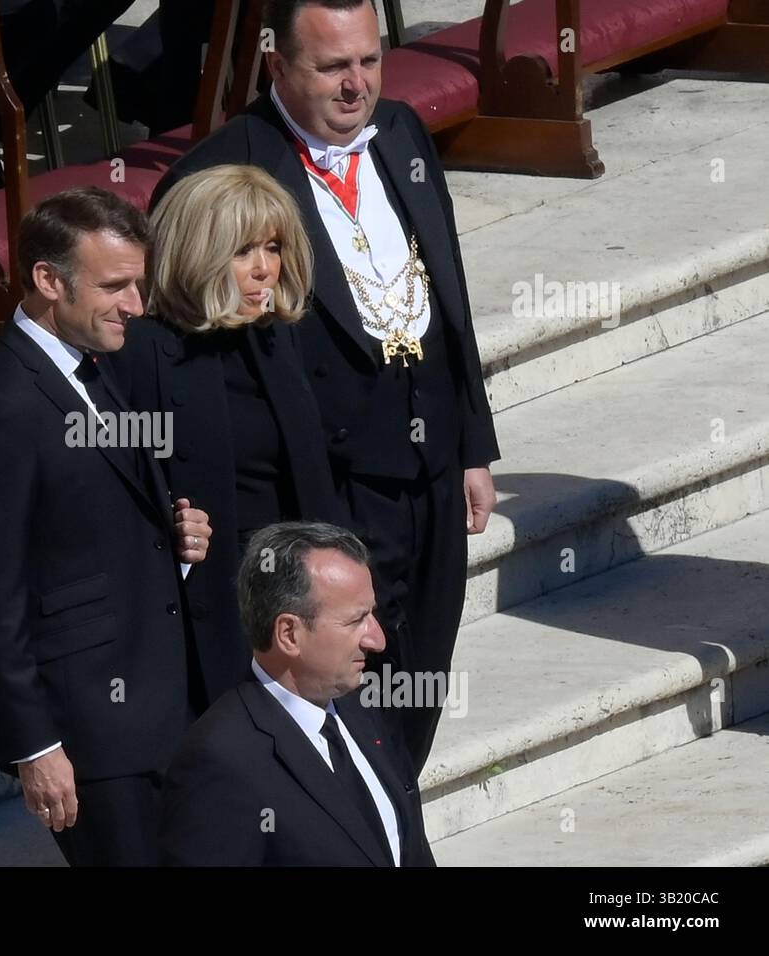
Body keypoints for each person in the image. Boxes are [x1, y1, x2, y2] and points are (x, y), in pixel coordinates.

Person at [152, 0, 500, 772]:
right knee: (345, 706)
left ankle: (388, 822)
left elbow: (449, 292)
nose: (357, 86)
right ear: (278, 66)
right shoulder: (221, 175)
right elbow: (188, 365)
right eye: (333, 67)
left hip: (432, 477)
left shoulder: (404, 133)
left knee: (417, 687)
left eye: (370, 61)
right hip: (324, 495)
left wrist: (474, 441)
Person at [0, 186, 213, 867]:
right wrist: (36, 746)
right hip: (88, 730)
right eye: (115, 286)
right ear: (46, 280)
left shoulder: (96, 367)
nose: (136, 306)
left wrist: (177, 547)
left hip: (158, 704)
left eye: (139, 285)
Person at [106, 163, 340, 709]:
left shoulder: (273, 335)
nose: (264, 269)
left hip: (290, 598)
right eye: (242, 252)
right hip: (205, 618)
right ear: (197, 253)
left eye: (273, 247)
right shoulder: (143, 351)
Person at [160, 521, 435, 866]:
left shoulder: (361, 704)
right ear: (289, 633)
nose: (376, 639)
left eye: (372, 615)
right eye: (356, 620)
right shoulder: (220, 761)